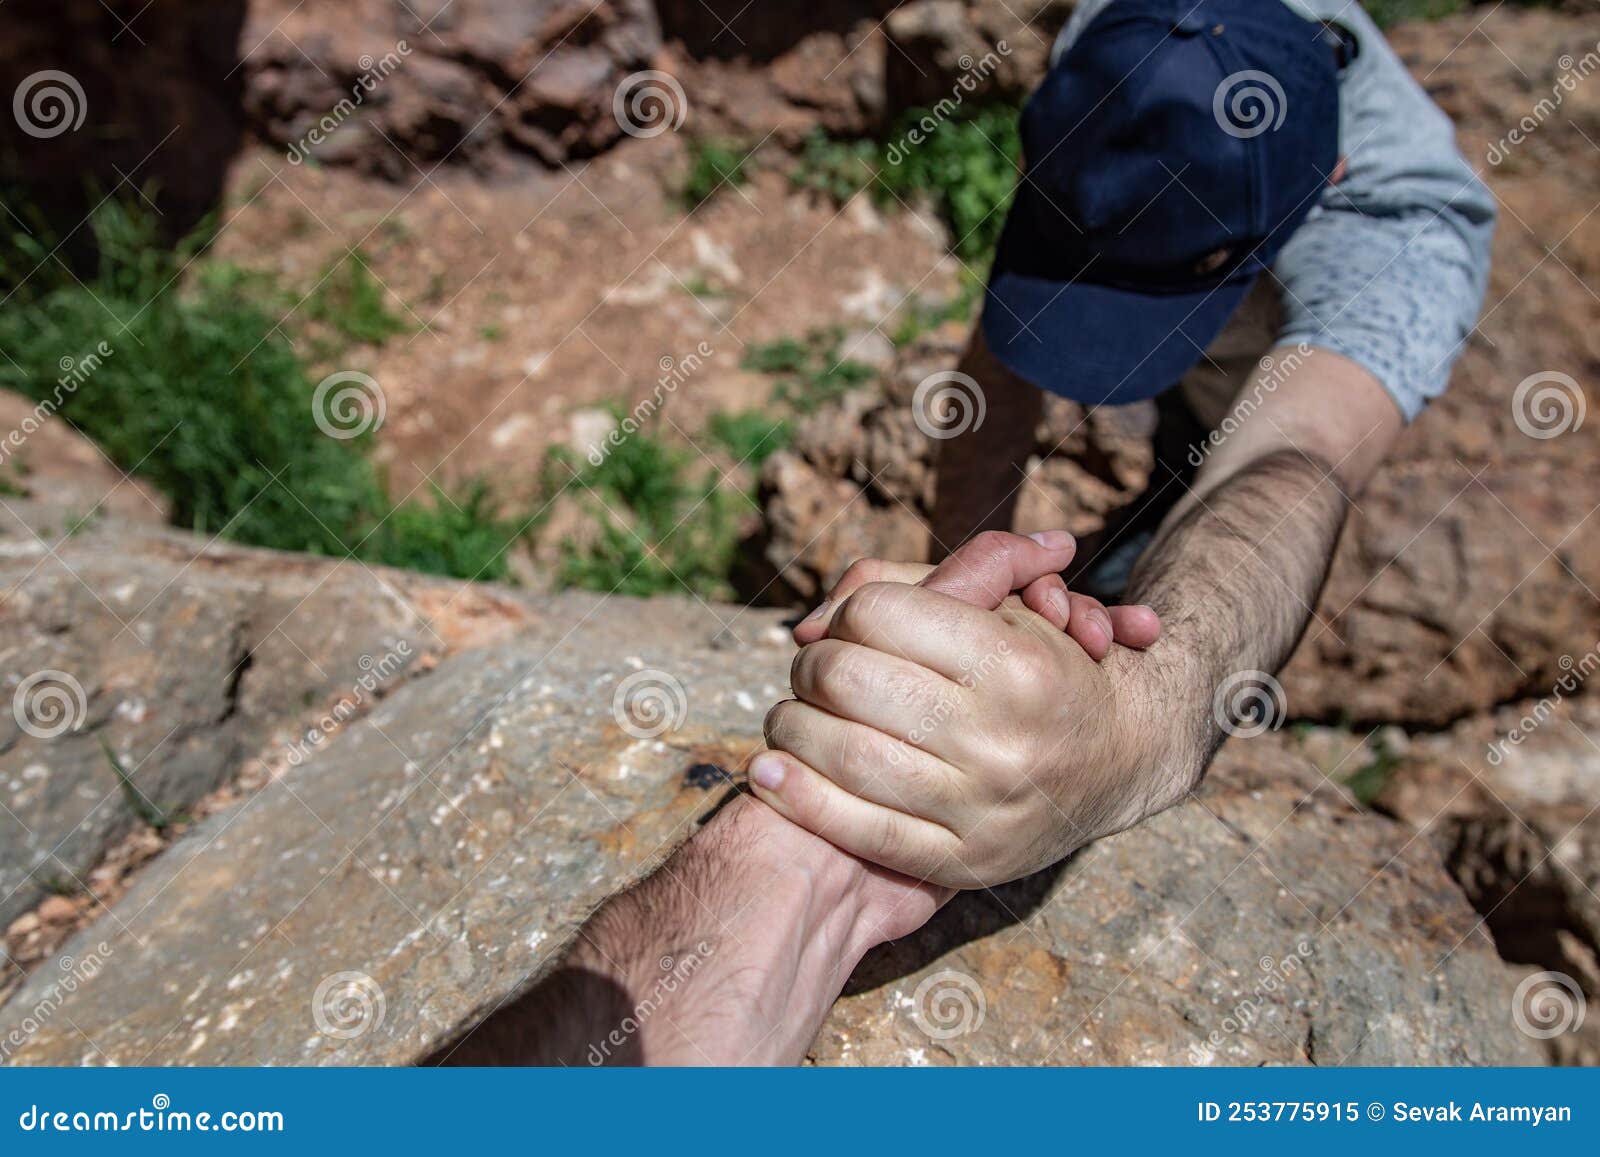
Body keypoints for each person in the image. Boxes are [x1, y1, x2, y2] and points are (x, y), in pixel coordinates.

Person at [434, 0, 1494, 1064]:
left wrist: (1136, 726)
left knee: (1199, 513)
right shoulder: (1123, 53)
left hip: (1273, 388)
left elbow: (1288, 463)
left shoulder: (1399, 241)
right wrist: (960, 606)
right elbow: (1004, 362)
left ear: (1331, 176)